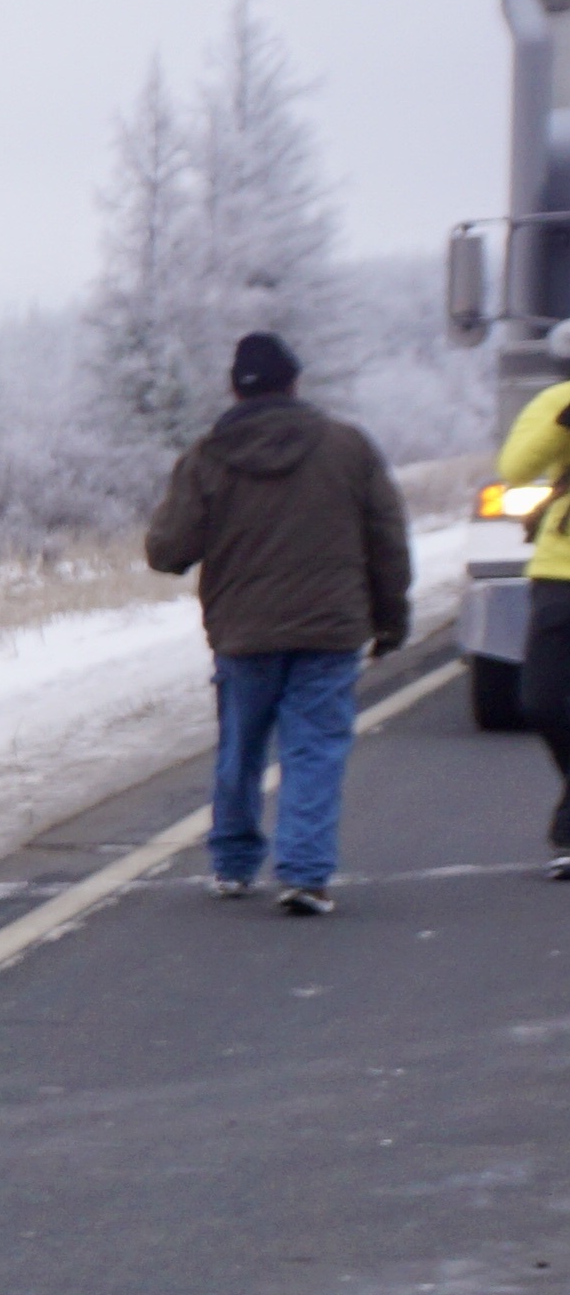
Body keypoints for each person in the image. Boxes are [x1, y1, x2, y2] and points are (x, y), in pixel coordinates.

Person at [142, 328, 415, 913]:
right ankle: (305, 874)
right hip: (331, 628)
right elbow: (387, 539)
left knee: (240, 748)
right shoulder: (349, 448)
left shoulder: (207, 458)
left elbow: (167, 552)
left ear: (235, 392)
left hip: (243, 632)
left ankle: (234, 864)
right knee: (314, 748)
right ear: (294, 383)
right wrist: (390, 619)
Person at [499, 366, 570, 879]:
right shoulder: (556, 401)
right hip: (558, 572)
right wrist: (560, 425)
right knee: (540, 701)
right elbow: (517, 468)